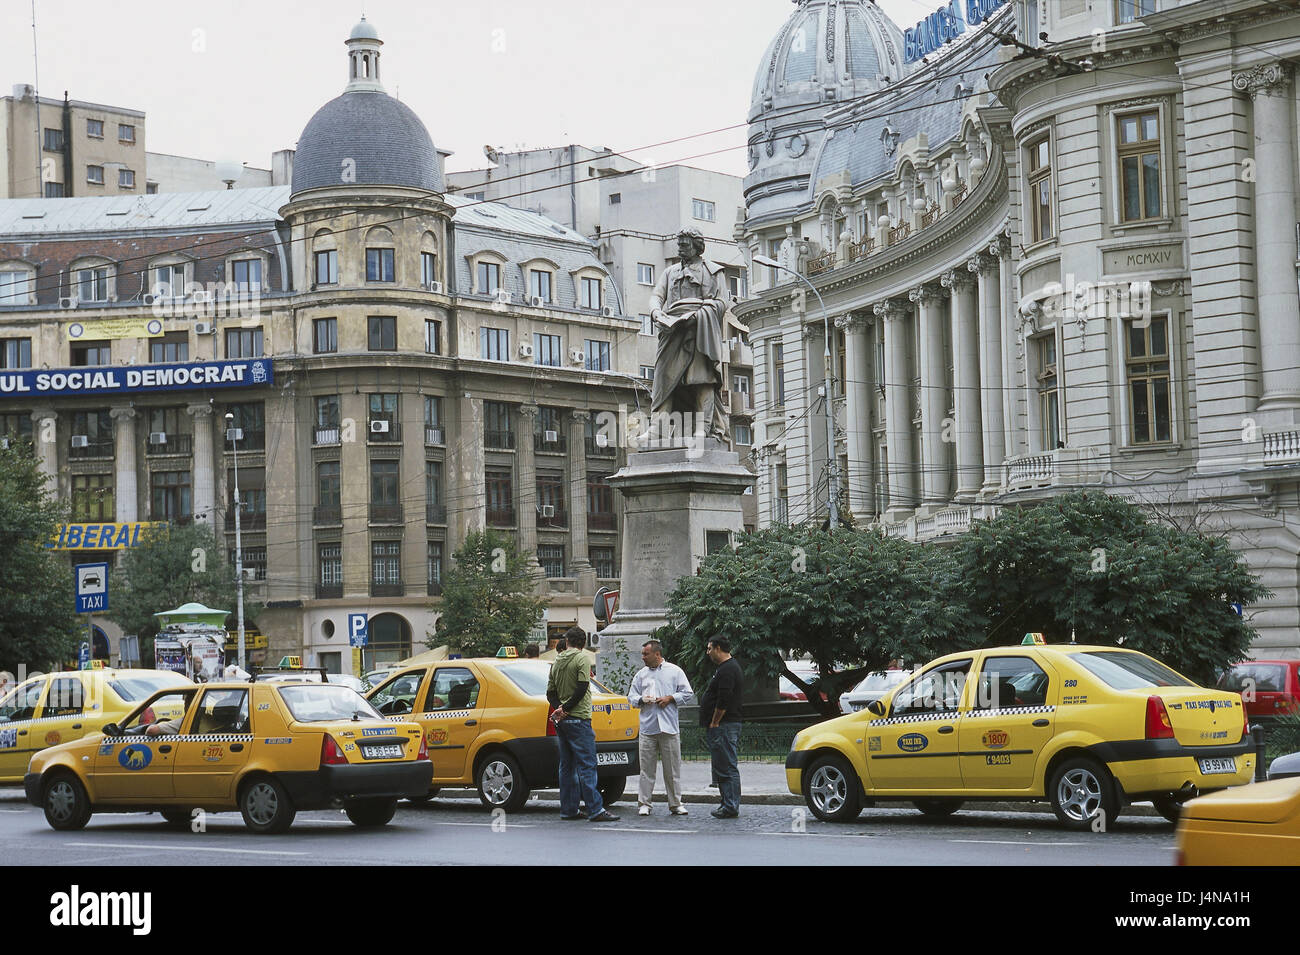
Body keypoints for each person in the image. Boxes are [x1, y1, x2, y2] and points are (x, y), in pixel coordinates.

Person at [649, 228, 730, 446]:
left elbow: (723, 302)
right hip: (672, 330)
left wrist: (700, 314)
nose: (680, 249)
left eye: (684, 245)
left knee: (701, 379)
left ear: (697, 246)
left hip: (701, 329)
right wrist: (656, 312)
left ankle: (703, 429)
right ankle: (658, 429)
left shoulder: (713, 272)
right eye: (679, 244)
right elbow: (657, 295)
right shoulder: (670, 272)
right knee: (663, 380)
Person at [546, 627, 619, 822]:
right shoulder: (582, 659)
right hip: (579, 719)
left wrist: (559, 709)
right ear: (583, 643)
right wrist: (568, 708)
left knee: (567, 766)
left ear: (567, 641)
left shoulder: (556, 662)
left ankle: (568, 809)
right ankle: (596, 809)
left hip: (563, 722)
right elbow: (582, 687)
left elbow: (550, 693)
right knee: (587, 765)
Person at [626, 640, 694, 816]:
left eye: (645, 654)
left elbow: (688, 693)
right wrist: (642, 700)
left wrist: (670, 698)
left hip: (669, 727)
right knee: (646, 769)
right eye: (642, 654)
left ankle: (676, 803)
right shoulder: (641, 675)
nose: (642, 657)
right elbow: (631, 697)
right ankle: (645, 803)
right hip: (648, 727)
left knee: (672, 769)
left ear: (657, 654)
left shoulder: (675, 671)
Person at [699, 637, 744, 818]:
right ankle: (727, 802)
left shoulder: (727, 669)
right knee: (723, 766)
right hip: (724, 724)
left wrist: (715, 721)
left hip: (724, 725)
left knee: (726, 766)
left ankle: (730, 805)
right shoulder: (726, 668)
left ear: (718, 648)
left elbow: (724, 698)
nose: (707, 652)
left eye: (709, 649)